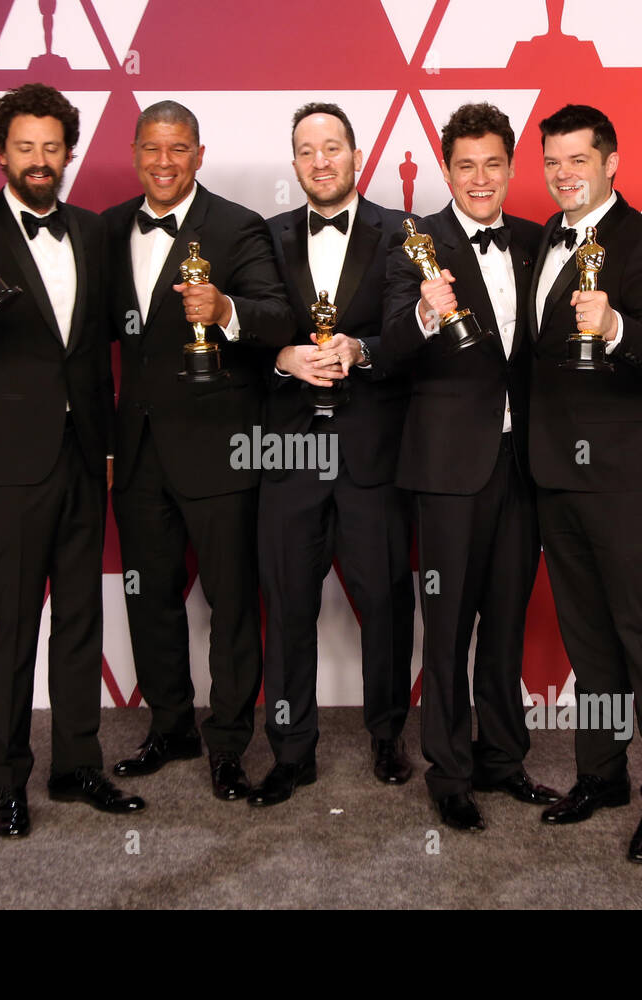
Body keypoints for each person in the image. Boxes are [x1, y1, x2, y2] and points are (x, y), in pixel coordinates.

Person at [0, 83, 144, 837]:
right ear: (0, 153)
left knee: (81, 618)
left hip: (86, 456)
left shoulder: (92, 232)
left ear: (68, 152)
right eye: (25, 147)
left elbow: (100, 354)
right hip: (11, 464)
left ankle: (77, 765)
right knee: (18, 624)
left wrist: (113, 448)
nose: (39, 160)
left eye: (52, 146)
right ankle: (10, 783)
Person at [102, 101, 293, 801]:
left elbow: (277, 319)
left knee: (232, 602)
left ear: (199, 155)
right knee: (150, 597)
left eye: (177, 148)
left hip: (222, 449)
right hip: (139, 451)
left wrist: (226, 312)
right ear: (134, 151)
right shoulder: (110, 228)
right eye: (152, 148)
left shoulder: (237, 226)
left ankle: (229, 742)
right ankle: (170, 725)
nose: (163, 161)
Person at [527, 104, 642, 863]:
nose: (565, 175)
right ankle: (601, 774)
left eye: (579, 160)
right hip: (556, 474)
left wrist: (617, 327)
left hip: (629, 477)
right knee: (589, 639)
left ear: (612, 162)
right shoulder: (542, 240)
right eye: (553, 162)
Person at [383, 102, 560, 832]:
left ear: (511, 167)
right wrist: (424, 315)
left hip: (524, 463)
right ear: (446, 169)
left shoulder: (534, 241)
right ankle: (449, 772)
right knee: (449, 624)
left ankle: (503, 758)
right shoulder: (413, 243)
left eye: (492, 163)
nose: (480, 178)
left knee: (507, 618)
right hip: (449, 467)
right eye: (465, 165)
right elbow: (385, 350)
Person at [250, 103, 415, 807]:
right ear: (294, 165)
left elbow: (413, 335)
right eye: (307, 150)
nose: (321, 161)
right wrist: (285, 357)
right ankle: (291, 751)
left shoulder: (404, 234)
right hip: (288, 452)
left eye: (333, 147)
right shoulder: (265, 237)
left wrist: (363, 350)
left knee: (384, 601)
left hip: (371, 453)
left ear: (357, 154)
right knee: (286, 604)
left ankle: (387, 737)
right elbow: (245, 338)